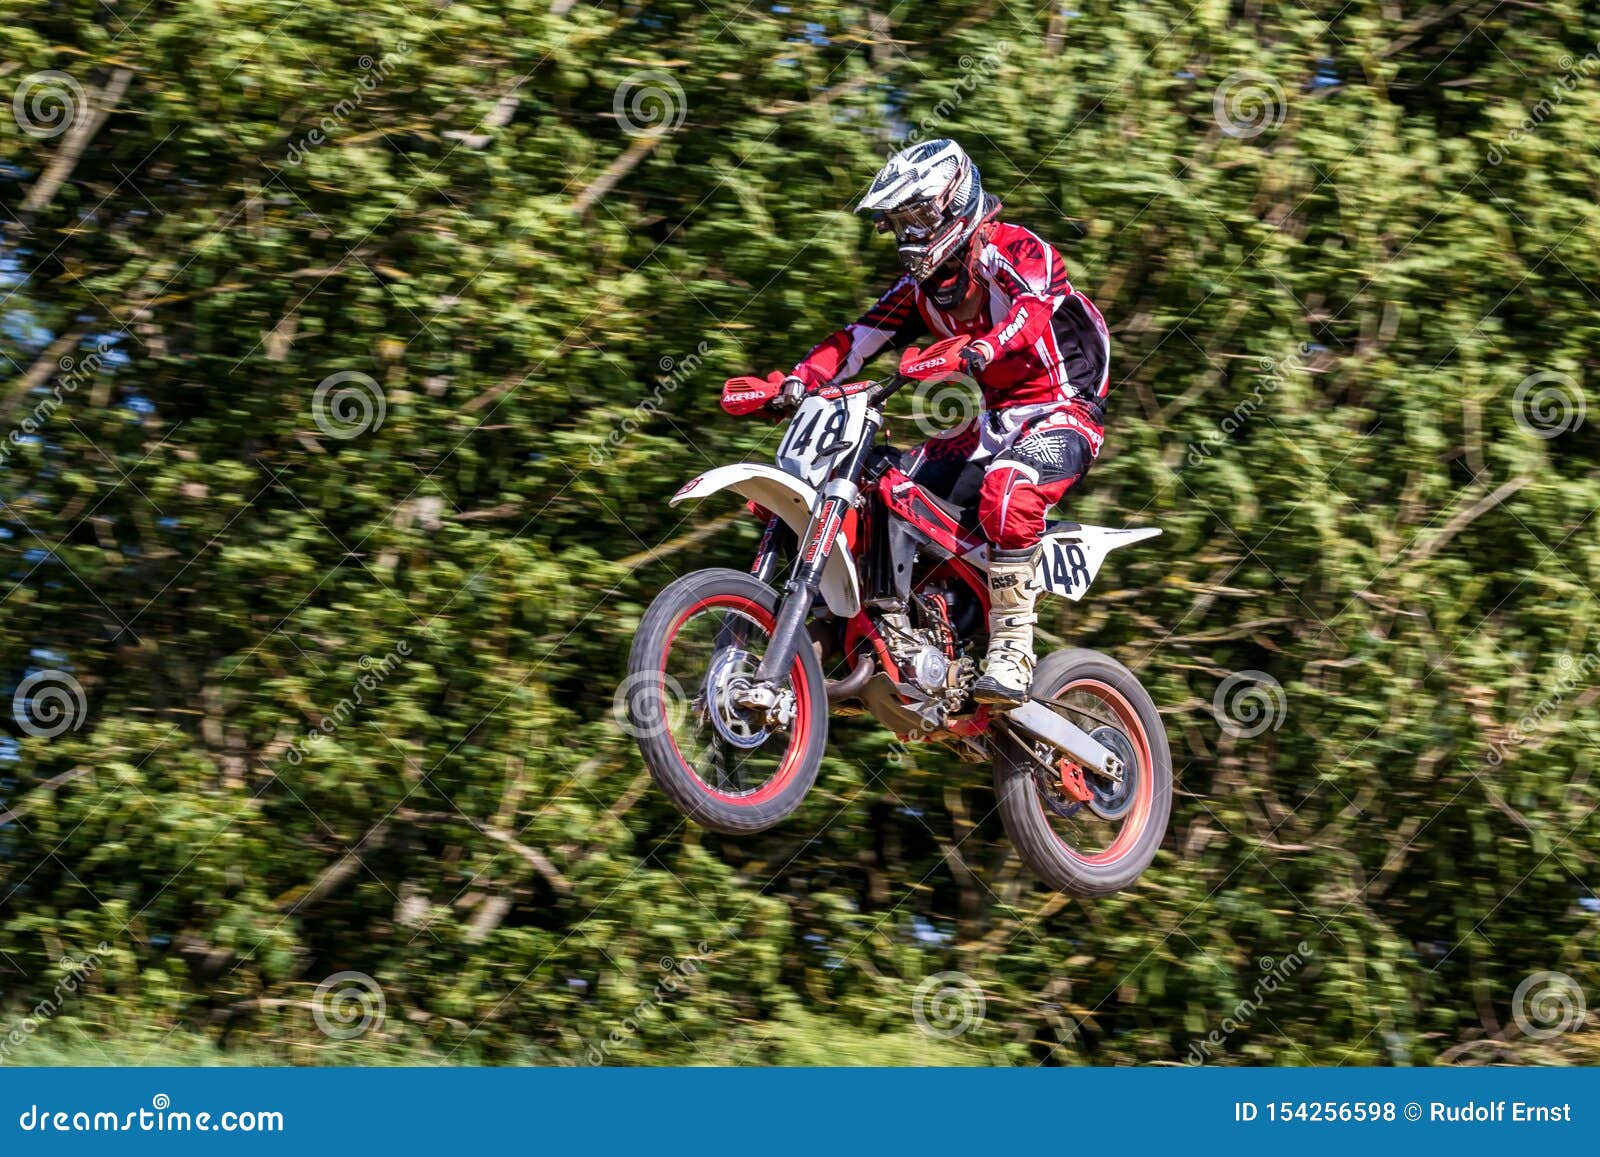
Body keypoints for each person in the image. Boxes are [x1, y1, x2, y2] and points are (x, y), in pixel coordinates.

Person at [775, 139, 1111, 705]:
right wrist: (795, 381)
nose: (911, 230)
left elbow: (1031, 312)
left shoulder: (1017, 247)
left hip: (1065, 409)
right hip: (995, 420)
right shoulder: (918, 288)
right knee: (880, 486)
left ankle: (1012, 645)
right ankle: (901, 624)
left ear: (959, 198)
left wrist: (981, 349)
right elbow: (858, 339)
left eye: (921, 214)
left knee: (1009, 493)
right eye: (900, 220)